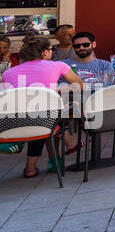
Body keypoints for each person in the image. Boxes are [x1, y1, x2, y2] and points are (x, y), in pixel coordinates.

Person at [3, 37, 85, 178]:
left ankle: (31, 168)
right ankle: (68, 141)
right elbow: (79, 85)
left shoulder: (7, 73)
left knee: (40, 112)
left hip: (14, 123)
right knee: (54, 110)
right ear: (46, 52)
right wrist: (58, 91)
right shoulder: (58, 65)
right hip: (46, 121)